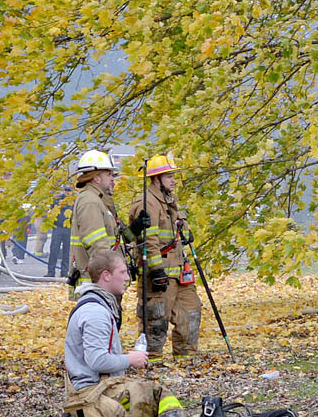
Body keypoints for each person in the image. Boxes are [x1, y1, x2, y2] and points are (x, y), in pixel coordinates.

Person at [61, 250, 197, 417]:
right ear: (106, 275)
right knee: (157, 394)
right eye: (123, 272)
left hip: (98, 389)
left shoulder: (98, 306)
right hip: (92, 392)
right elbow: (96, 361)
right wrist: (130, 359)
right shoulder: (95, 313)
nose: (128, 278)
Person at [129, 154, 202, 361]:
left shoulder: (170, 202)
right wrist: (156, 270)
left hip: (180, 274)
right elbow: (148, 239)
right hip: (158, 277)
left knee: (191, 314)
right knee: (156, 323)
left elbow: (179, 234)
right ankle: (152, 365)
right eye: (168, 175)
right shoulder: (147, 202)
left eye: (173, 175)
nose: (173, 180)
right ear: (155, 179)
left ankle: (186, 361)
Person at [69, 150, 128, 293]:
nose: (112, 179)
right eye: (108, 174)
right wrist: (112, 273)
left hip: (101, 281)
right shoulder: (90, 202)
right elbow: (97, 245)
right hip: (97, 285)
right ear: (96, 178)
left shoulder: (96, 200)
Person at [46, 189, 72, 278]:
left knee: (67, 251)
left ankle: (64, 271)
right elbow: (50, 212)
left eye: (69, 191)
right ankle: (51, 271)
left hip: (69, 228)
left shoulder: (74, 201)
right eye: (66, 191)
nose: (67, 193)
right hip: (58, 227)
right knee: (54, 250)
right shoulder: (57, 200)